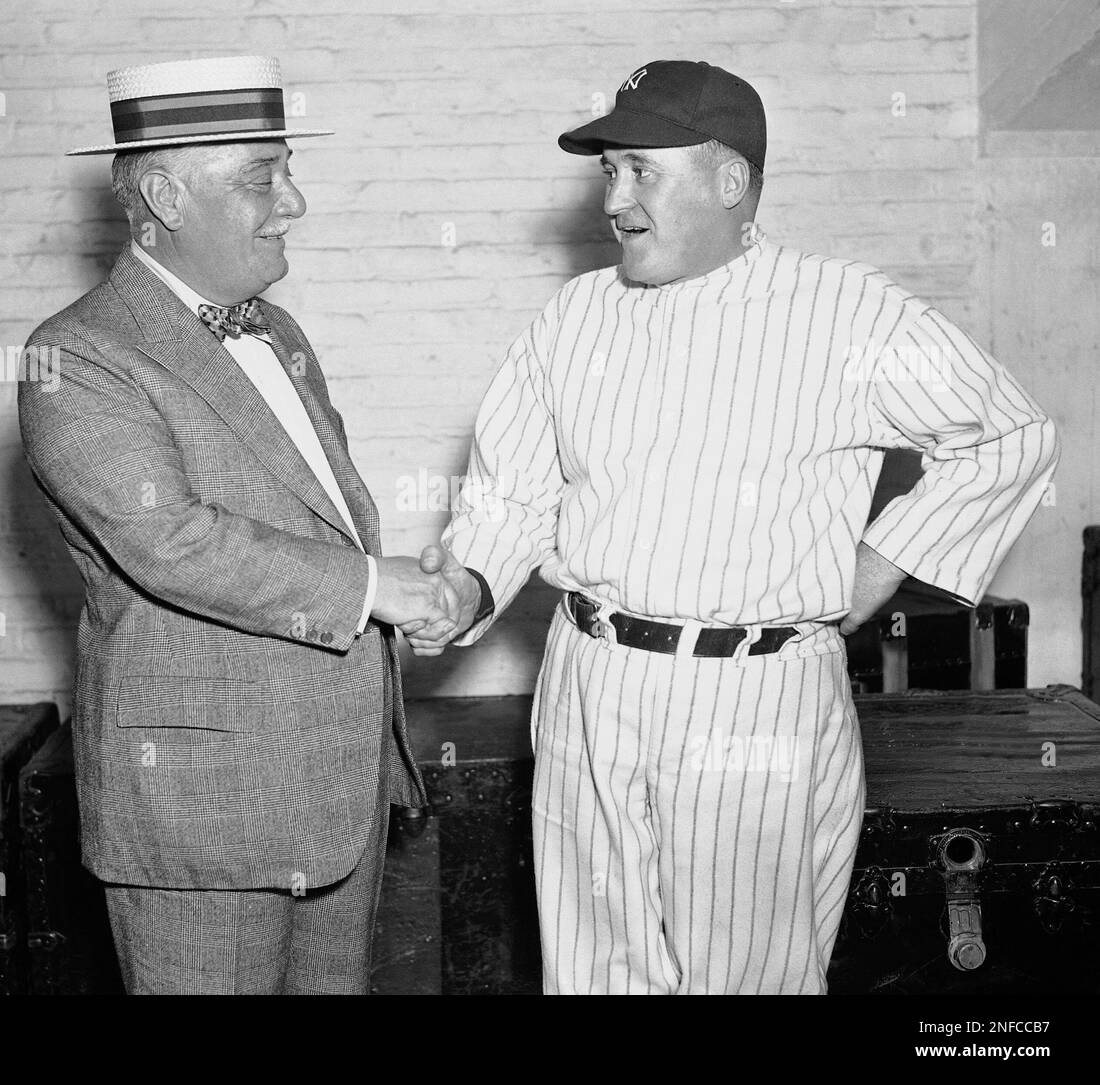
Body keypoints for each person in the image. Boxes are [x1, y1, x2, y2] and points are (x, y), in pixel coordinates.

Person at [419, 59, 1059, 994]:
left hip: (753, 698)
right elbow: (509, 497)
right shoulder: (574, 316)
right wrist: (465, 586)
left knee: (745, 978)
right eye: (609, 172)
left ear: (731, 181)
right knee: (593, 974)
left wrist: (881, 560)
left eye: (642, 170)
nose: (614, 200)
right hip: (589, 681)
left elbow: (1010, 433)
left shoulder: (846, 310)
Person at [18, 55, 480, 994]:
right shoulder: (75, 355)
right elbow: (173, 542)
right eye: (261, 178)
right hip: (200, 814)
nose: (293, 201)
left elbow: (318, 521)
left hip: (334, 791)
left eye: (286, 169)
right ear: (165, 196)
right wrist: (373, 586)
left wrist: (399, 598)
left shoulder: (279, 332)